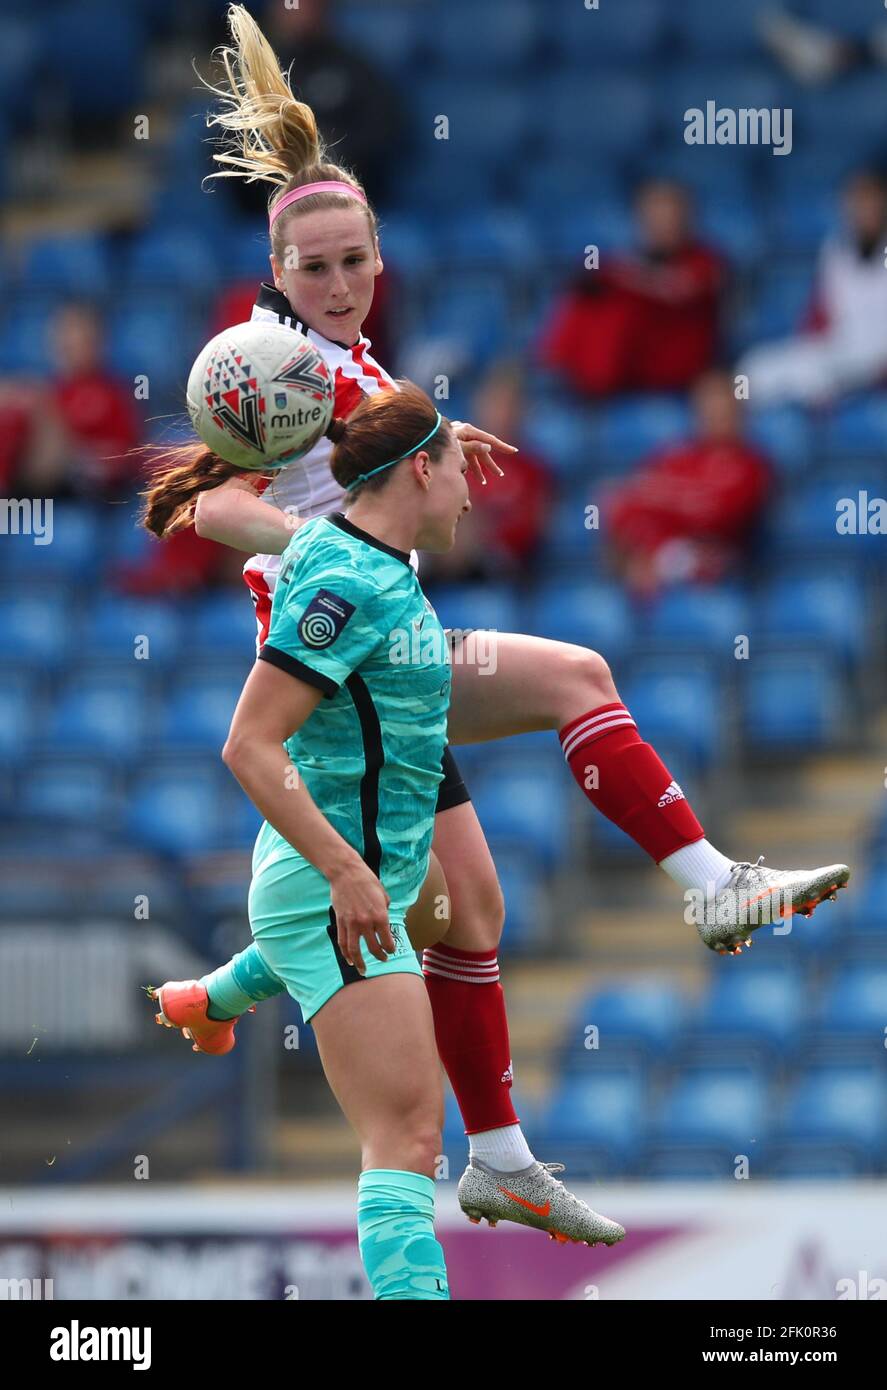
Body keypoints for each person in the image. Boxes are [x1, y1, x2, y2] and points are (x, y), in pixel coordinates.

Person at [141, 4, 849, 1243]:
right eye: (317, 268)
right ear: (277, 276)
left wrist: (426, 439)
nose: (344, 282)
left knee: (471, 905)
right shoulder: (268, 363)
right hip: (351, 676)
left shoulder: (351, 365)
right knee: (576, 671)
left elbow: (344, 466)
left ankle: (503, 1153)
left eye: (358, 258)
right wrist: (308, 541)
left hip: (394, 661)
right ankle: (708, 886)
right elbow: (211, 512)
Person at [162, 383, 473, 1300]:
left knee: (448, 916)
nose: (469, 491)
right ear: (420, 469)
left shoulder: (360, 557)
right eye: (458, 470)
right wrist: (345, 872)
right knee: (409, 1137)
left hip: (353, 866)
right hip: (329, 885)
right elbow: (247, 743)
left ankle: (209, 998)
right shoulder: (348, 581)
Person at [540, 180, 724, 397]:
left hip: (678, 361)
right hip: (630, 363)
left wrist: (621, 276)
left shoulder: (705, 261)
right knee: (586, 300)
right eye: (654, 218)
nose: (662, 226)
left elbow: (676, 291)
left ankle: (577, 381)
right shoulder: (633, 261)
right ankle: (556, 374)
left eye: (669, 217)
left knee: (622, 308)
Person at [605, 370, 772, 597]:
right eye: (708, 406)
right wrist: (654, 548)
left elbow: (717, 515)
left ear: (739, 411)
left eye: (722, 407)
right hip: (651, 562)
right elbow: (622, 502)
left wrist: (662, 497)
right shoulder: (675, 456)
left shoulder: (751, 465)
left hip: (717, 576)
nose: (715, 414)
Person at [737, 169, 887, 406]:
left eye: (872, 203)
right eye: (858, 202)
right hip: (840, 347)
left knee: (817, 380)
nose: (865, 211)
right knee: (750, 369)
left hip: (877, 357)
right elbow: (825, 310)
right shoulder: (836, 248)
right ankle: (744, 423)